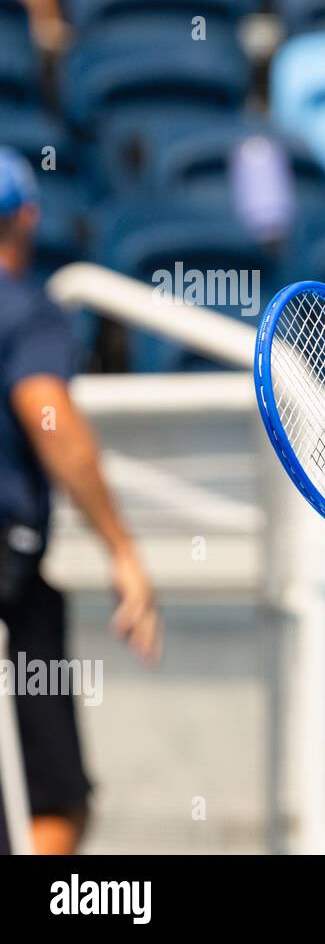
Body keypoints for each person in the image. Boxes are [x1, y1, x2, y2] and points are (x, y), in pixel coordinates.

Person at [0, 147, 162, 854]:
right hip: (12, 573)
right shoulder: (26, 311)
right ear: (27, 218)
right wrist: (124, 551)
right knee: (54, 797)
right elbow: (47, 412)